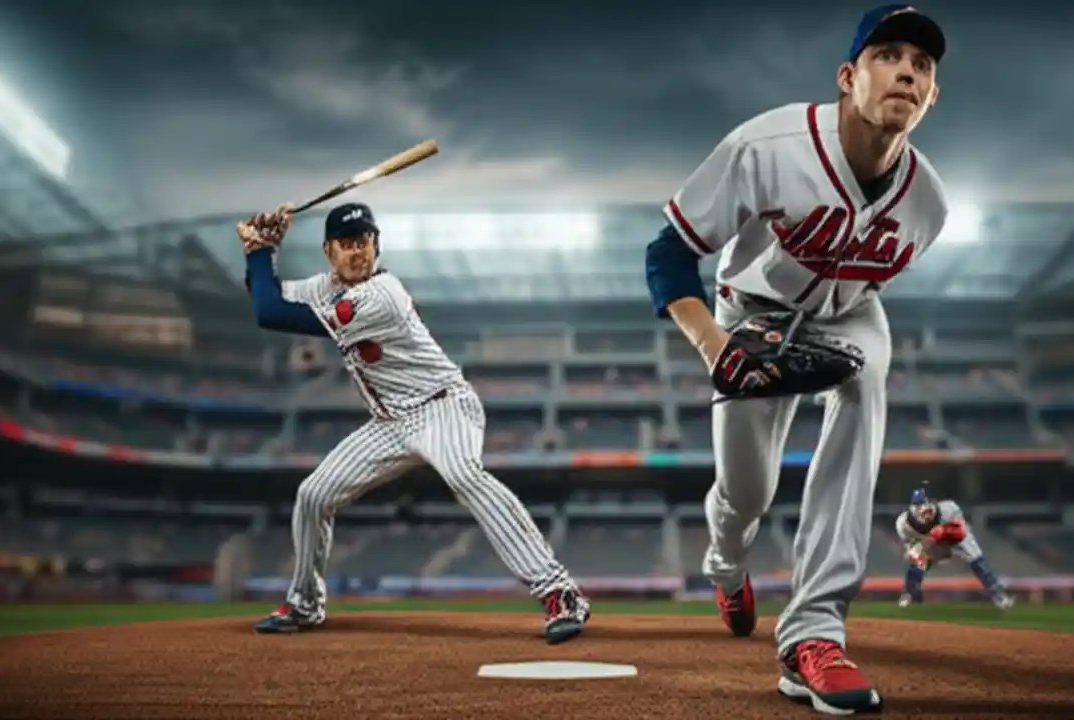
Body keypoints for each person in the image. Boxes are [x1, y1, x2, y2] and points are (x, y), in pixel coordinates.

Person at [645, 5, 951, 714]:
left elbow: (866, 281)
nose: (908, 69)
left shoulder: (928, 206)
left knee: (867, 385)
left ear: (932, 96)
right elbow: (670, 251)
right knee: (746, 493)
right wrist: (715, 349)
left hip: (847, 318)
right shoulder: (770, 145)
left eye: (924, 65)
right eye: (889, 55)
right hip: (750, 318)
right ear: (849, 77)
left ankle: (814, 629)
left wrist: (827, 335)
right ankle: (727, 565)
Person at [239, 202, 590, 643]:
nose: (357, 253)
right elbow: (263, 296)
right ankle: (305, 603)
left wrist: (258, 250)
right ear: (329, 252)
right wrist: (263, 250)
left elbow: (272, 314)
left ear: (376, 245)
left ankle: (560, 591)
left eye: (364, 242)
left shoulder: (383, 294)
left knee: (462, 473)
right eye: (346, 244)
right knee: (312, 495)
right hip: (391, 421)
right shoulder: (322, 287)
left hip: (442, 405)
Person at [896, 487, 1015, 609]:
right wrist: (920, 552)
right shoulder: (904, 524)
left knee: (976, 558)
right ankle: (909, 594)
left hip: (952, 533)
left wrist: (944, 539)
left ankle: (998, 595)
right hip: (926, 540)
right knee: (918, 562)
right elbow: (910, 546)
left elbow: (960, 532)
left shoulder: (949, 510)